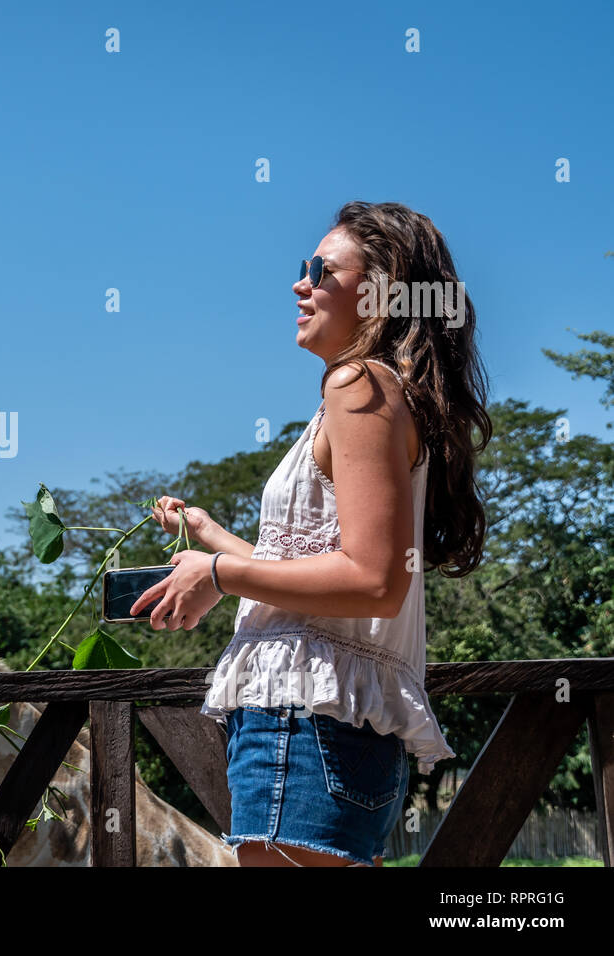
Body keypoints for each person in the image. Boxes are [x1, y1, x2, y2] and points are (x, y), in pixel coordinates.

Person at [130, 200, 491, 867]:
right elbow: (328, 576)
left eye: (322, 271)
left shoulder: (357, 387)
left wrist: (215, 574)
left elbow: (374, 582)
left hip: (302, 729)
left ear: (380, 291)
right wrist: (214, 540)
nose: (301, 284)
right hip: (329, 733)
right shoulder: (375, 394)